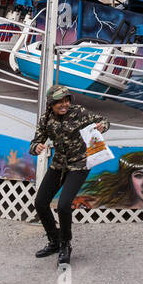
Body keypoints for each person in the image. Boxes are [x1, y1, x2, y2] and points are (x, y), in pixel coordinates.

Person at [29, 86, 108, 264]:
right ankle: (54, 241)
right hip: (59, 165)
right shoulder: (46, 119)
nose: (64, 104)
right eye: (59, 102)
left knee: (64, 205)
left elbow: (103, 121)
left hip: (79, 164)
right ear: (51, 104)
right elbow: (35, 142)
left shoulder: (79, 112)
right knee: (40, 202)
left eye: (66, 100)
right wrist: (36, 147)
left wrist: (102, 127)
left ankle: (65, 244)